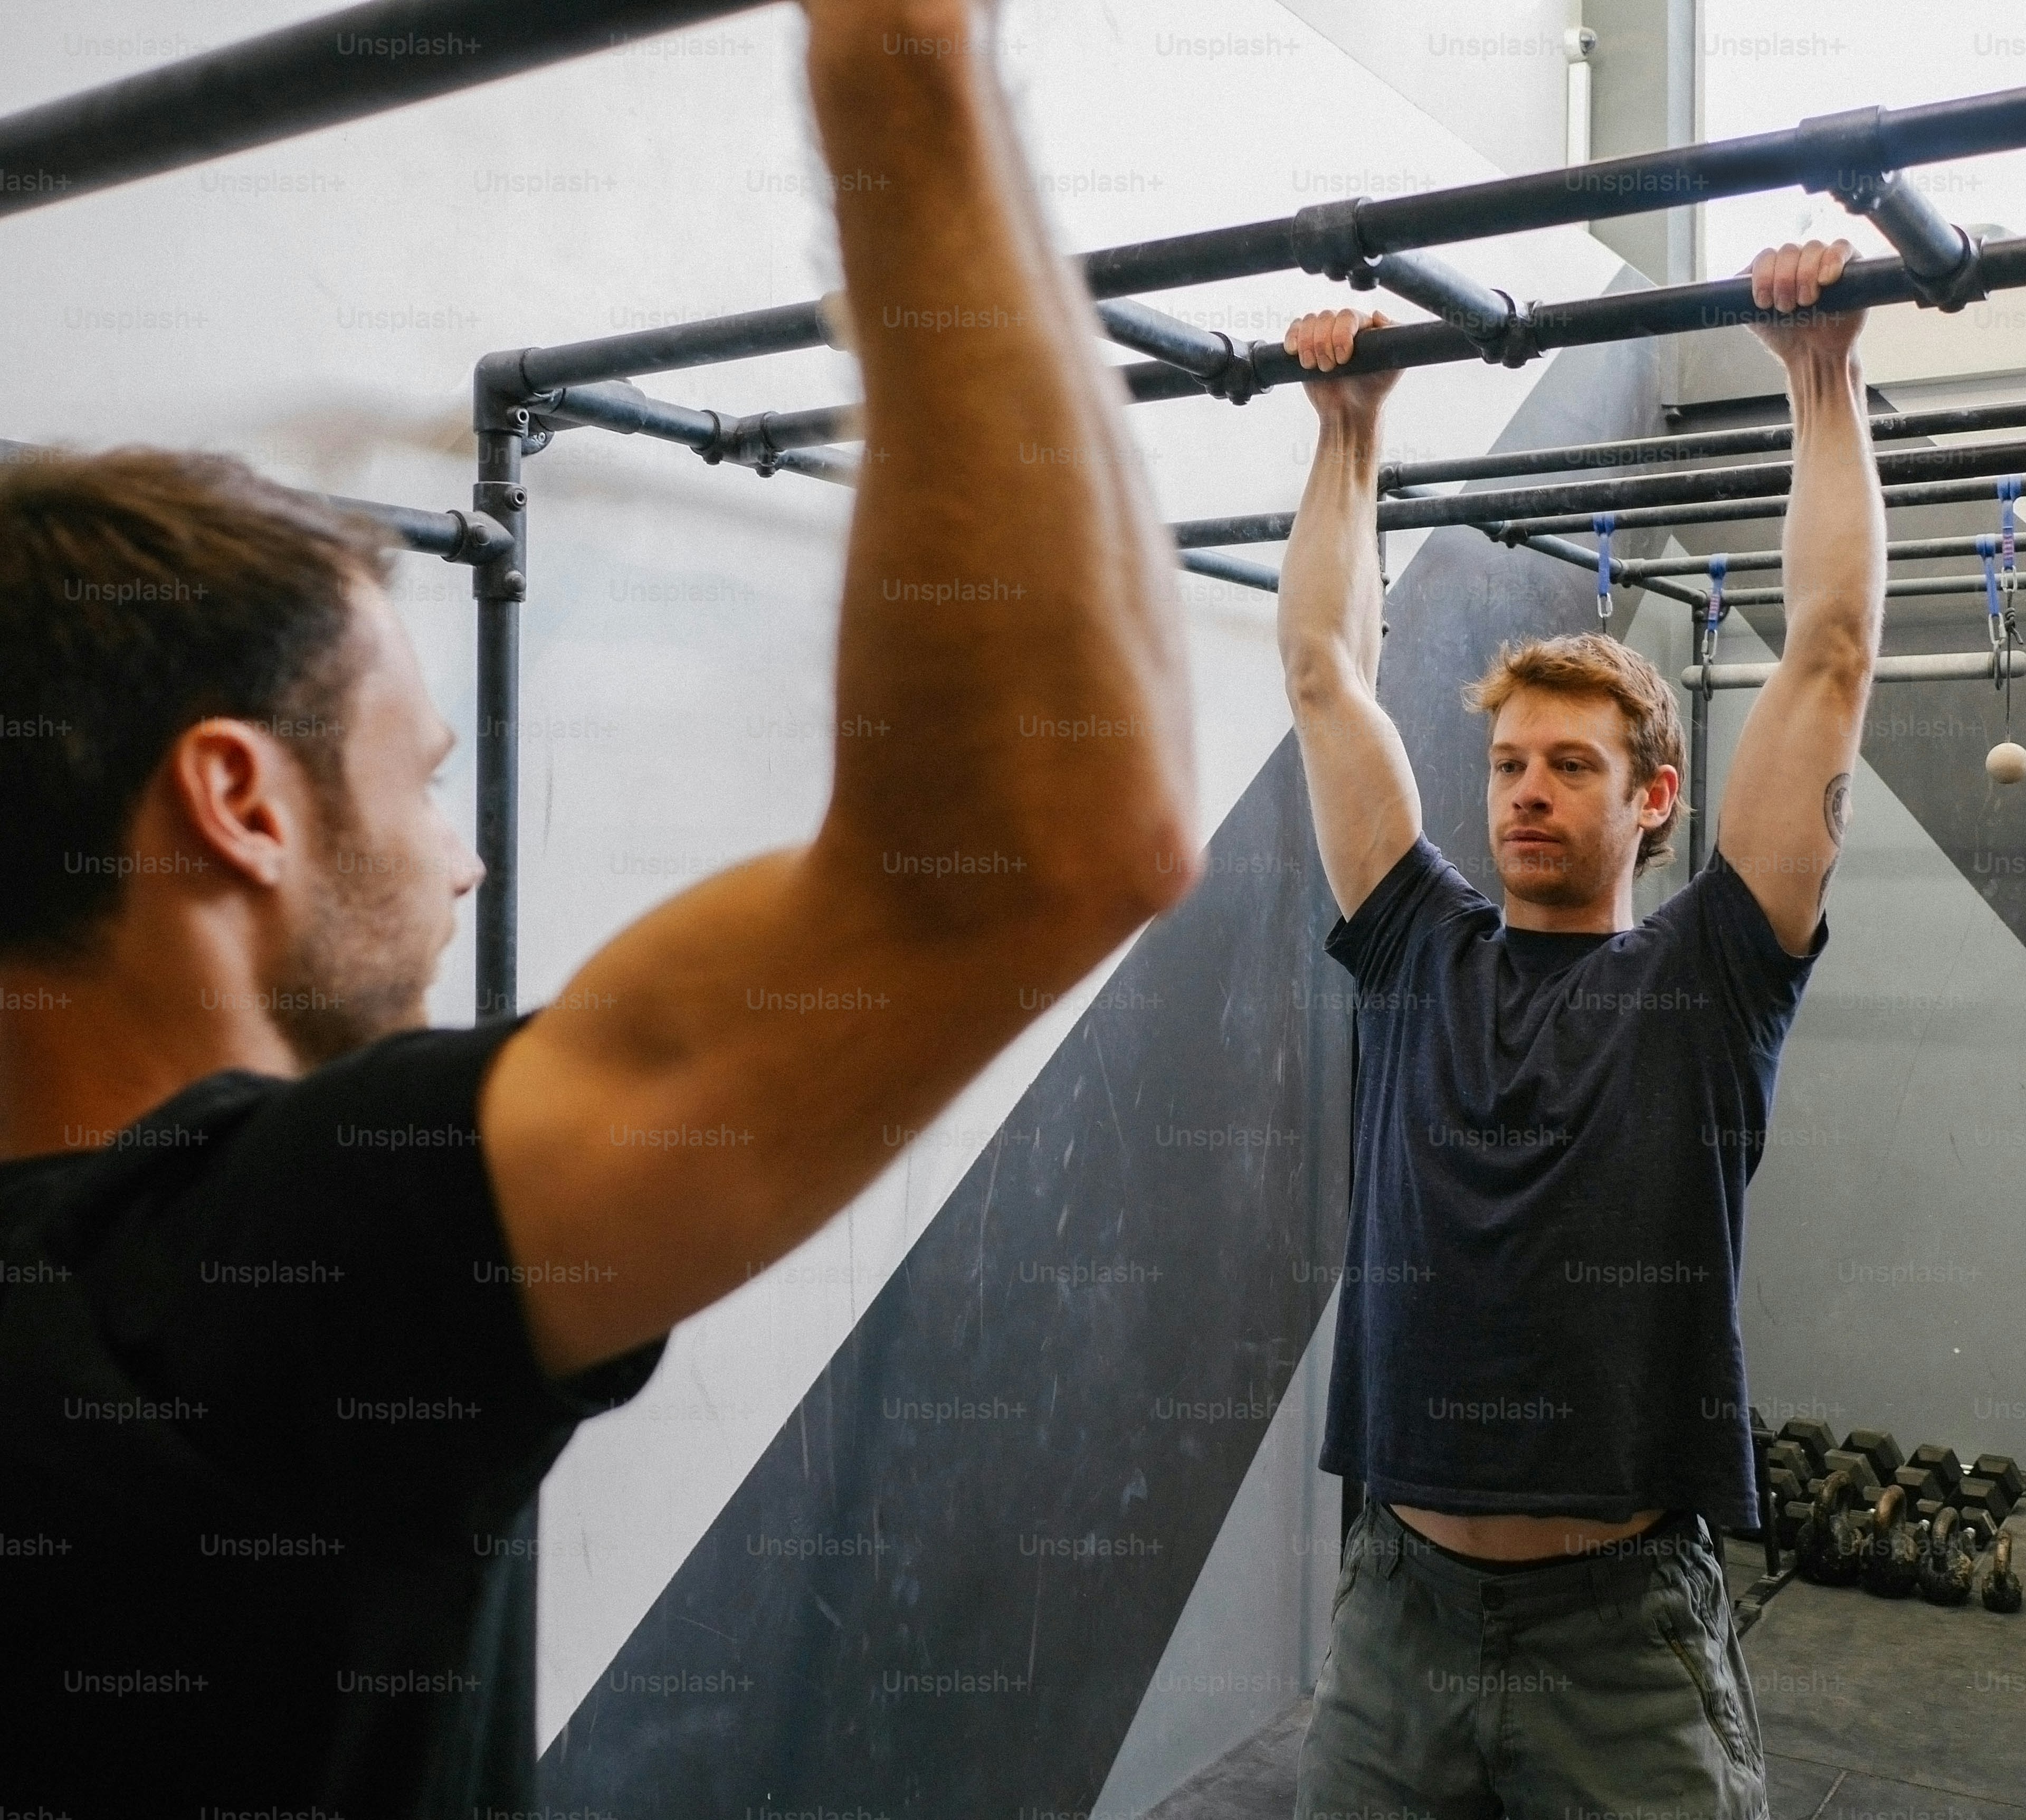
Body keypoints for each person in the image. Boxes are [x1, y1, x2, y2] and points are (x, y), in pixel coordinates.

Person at [0, 3, 1197, 1815]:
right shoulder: (244, 1284)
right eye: (418, 778)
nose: (465, 853)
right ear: (240, 806)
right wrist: (903, 56)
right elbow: (1053, 839)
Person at [1277, 240, 1882, 1819]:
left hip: (1619, 1641)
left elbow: (1826, 656)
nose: (1527, 791)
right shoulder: (1418, 953)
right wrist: (1350, 429)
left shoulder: (1707, 983)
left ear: (1656, 798)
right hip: (1395, 1620)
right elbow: (1327, 676)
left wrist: (1822, 377)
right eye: (1509, 765)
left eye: (1571, 767)